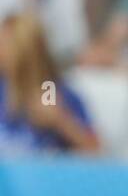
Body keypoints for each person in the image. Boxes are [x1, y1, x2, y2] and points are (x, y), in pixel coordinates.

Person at [0, 12, 97, 155]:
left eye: (4, 44)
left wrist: (60, 121)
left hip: (45, 172)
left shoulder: (51, 90)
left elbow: (96, 151)